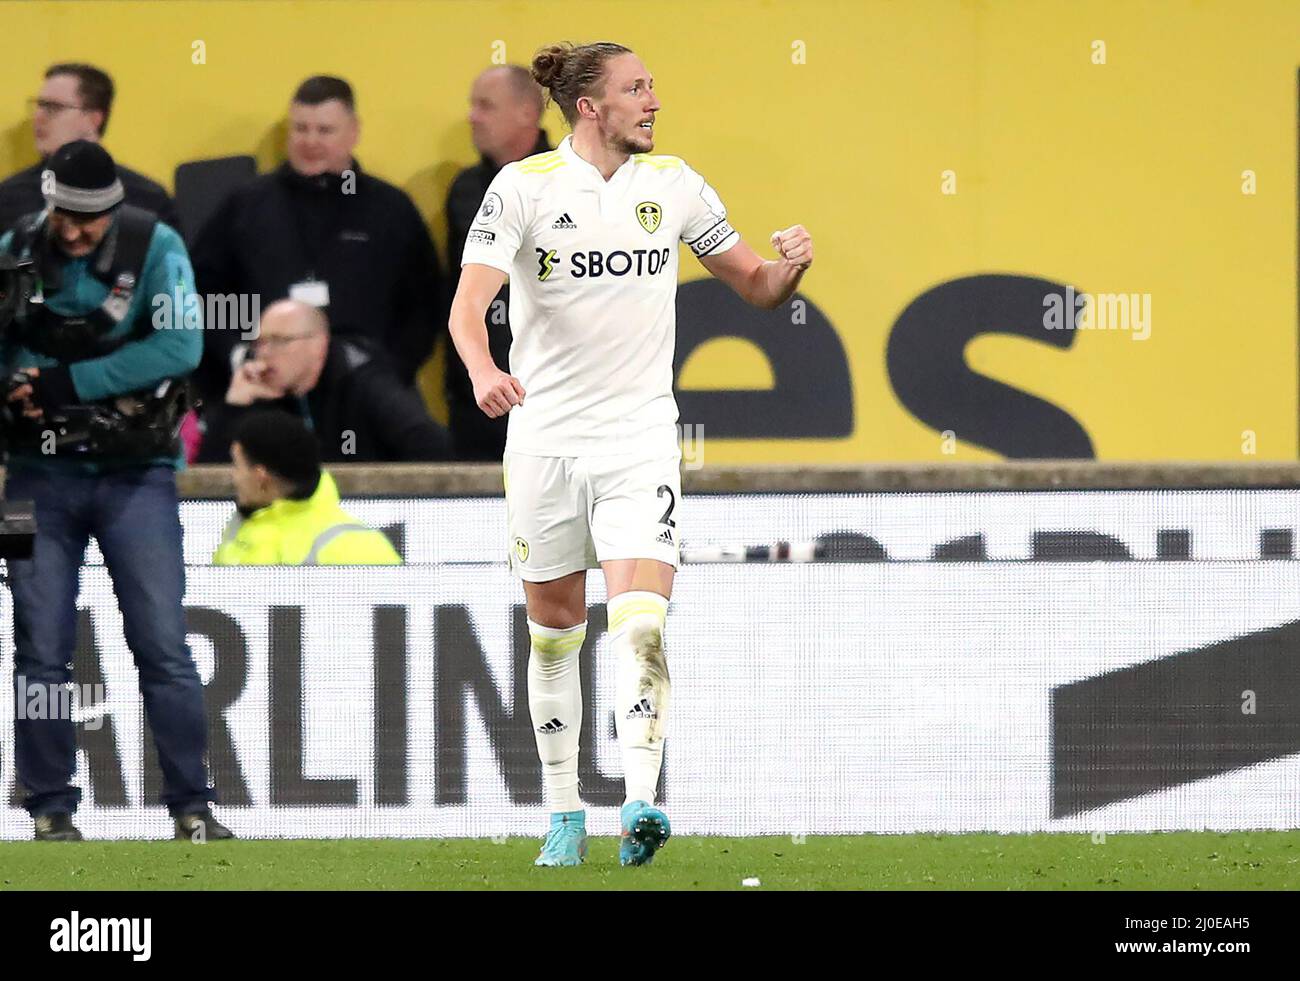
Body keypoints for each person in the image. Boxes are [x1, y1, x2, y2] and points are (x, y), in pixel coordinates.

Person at [448, 41, 813, 868]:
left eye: (653, 86)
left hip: (641, 437)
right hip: (543, 440)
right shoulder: (523, 188)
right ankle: (562, 815)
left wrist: (789, 268)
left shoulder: (675, 185)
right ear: (590, 106)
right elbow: (469, 307)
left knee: (642, 623)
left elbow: (754, 284)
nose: (654, 101)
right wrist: (483, 371)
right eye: (637, 89)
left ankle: (642, 803)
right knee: (554, 636)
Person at [0, 141, 230, 842]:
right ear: (50, 202)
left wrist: (62, 383)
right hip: (34, 475)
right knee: (38, 649)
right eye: (64, 214)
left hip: (139, 473)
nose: (72, 230)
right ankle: (49, 808)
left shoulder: (156, 243)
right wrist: (17, 386)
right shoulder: (15, 247)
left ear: (113, 210)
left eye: (89, 219)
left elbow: (180, 347)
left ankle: (192, 804)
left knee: (163, 642)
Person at [190, 75, 443, 401]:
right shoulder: (246, 204)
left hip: (365, 395)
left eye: (324, 130)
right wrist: (239, 356)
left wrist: (392, 370)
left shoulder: (391, 208)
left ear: (353, 132)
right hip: (265, 388)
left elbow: (425, 302)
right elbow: (204, 291)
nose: (310, 141)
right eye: (300, 129)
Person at [444, 66, 551, 459]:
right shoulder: (464, 188)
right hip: (477, 391)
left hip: (547, 388)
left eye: (485, 106)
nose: (472, 117)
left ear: (527, 112)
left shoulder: (566, 181)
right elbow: (450, 292)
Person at [197, 299, 450, 463]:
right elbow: (210, 475)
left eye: (280, 341)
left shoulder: (365, 382)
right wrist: (234, 407)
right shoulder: (261, 392)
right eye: (260, 343)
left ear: (318, 344)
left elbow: (430, 445)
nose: (264, 353)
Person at [0, 63, 177, 234]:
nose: (38, 117)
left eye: (53, 107)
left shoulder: (147, 199)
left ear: (94, 119)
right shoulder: (9, 197)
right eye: (39, 105)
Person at [213, 410, 402, 565]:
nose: (232, 477)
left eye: (237, 465)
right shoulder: (238, 525)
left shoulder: (357, 546)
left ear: (261, 477)